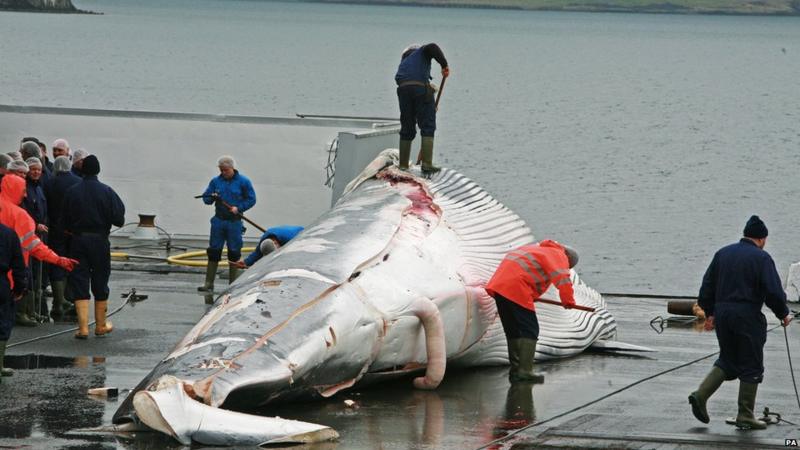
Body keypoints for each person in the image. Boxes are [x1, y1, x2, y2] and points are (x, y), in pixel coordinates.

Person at [689, 215, 792, 429]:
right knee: (751, 364)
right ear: (762, 239)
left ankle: (700, 395)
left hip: (723, 314)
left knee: (728, 359)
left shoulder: (723, 253)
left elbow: (706, 286)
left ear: (745, 235)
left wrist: (709, 312)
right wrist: (783, 313)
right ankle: (745, 415)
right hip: (747, 317)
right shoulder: (762, 258)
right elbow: (773, 291)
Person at [485, 240, 578, 382]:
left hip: (499, 288)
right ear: (568, 258)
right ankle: (524, 371)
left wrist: (532, 296)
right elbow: (562, 278)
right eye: (569, 266)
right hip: (516, 289)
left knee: (513, 329)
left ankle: (516, 371)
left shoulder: (535, 249)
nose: (566, 267)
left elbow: (529, 274)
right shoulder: (558, 254)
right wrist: (568, 301)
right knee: (530, 329)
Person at [0, 175, 77, 327]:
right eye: (23, 190)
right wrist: (58, 259)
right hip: (8, 276)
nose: (25, 194)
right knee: (4, 325)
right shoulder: (20, 216)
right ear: (15, 190)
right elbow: (35, 246)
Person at [61, 155, 124, 339]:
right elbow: (119, 220)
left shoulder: (72, 191)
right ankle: (101, 325)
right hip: (99, 241)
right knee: (100, 280)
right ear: (98, 170)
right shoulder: (107, 192)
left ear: (82, 170)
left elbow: (63, 221)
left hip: (78, 241)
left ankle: (82, 328)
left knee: (79, 280)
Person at [198, 156, 256, 292]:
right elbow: (206, 200)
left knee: (234, 252)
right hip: (218, 221)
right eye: (221, 170)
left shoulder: (244, 182)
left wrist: (239, 208)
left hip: (234, 222)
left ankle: (233, 285)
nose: (223, 172)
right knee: (213, 251)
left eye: (225, 170)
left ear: (232, 168)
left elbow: (252, 199)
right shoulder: (215, 181)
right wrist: (210, 196)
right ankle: (208, 284)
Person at [395, 43, 449, 174]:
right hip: (419, 89)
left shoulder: (405, 62)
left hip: (403, 90)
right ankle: (427, 164)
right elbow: (432, 46)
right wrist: (444, 65)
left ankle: (403, 165)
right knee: (428, 125)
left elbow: (411, 83)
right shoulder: (422, 51)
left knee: (407, 126)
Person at [44, 156, 82, 320]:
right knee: (72, 261)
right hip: (73, 230)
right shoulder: (78, 182)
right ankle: (70, 297)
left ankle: (59, 302)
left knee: (57, 262)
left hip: (54, 229)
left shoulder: (49, 183)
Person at [0, 218, 27, 383]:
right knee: (2, 323)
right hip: (1, 283)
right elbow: (19, 265)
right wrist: (19, 288)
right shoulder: (8, 234)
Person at [22, 158, 49, 322]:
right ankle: (25, 311)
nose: (36, 172)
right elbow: (24, 212)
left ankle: (32, 310)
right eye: (33, 169)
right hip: (29, 234)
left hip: (39, 234)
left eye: (38, 170)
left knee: (35, 271)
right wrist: (35, 225)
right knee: (28, 271)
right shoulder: (25, 188)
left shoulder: (38, 188)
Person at [233, 225, 304, 269]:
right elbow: (257, 253)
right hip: (282, 232)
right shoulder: (265, 240)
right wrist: (246, 262)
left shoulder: (290, 240)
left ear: (276, 243)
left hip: (302, 235)